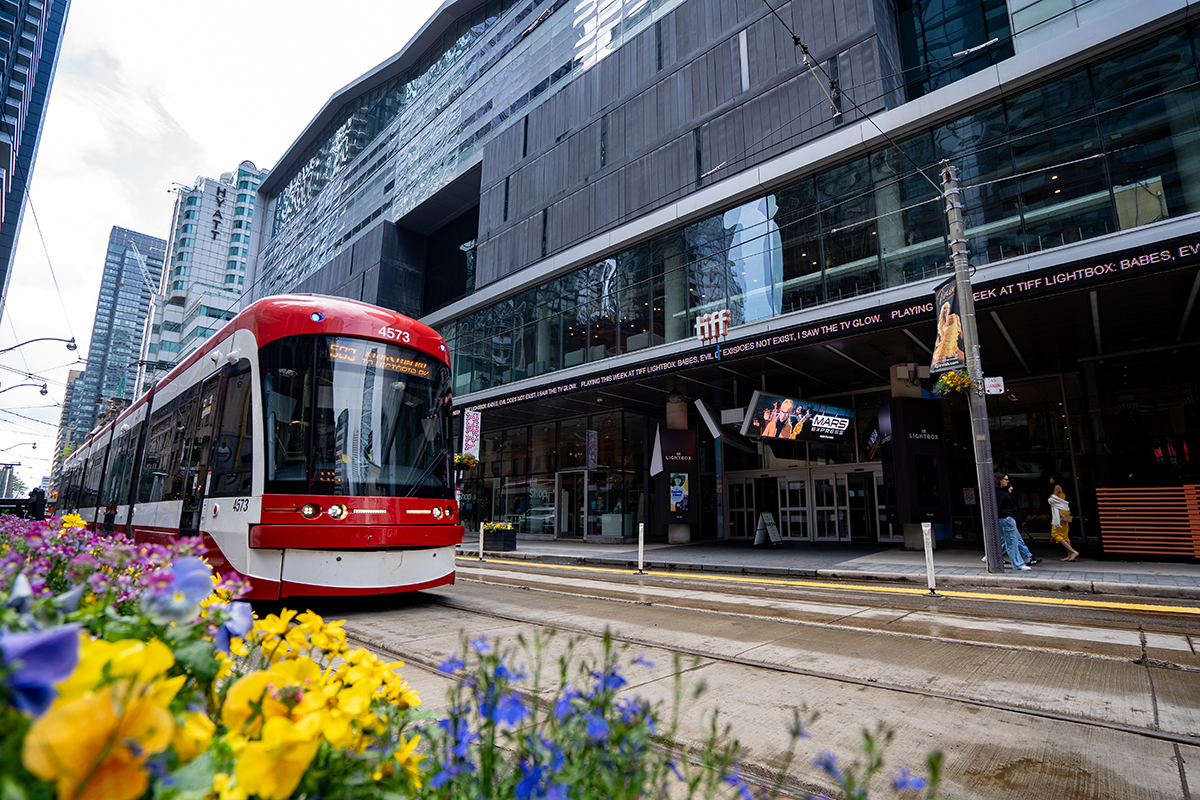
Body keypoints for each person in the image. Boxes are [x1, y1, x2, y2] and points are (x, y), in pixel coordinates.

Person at [994, 472, 1030, 570]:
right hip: (1006, 519)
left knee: (1009, 541)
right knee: (1012, 542)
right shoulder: (1000, 493)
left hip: (1006, 519)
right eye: (1005, 479)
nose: (1007, 481)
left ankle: (1025, 558)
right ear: (1000, 480)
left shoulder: (1001, 492)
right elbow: (1009, 508)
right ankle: (1018, 564)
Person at [1048, 473, 1080, 562]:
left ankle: (1073, 551)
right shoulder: (1064, 487)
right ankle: (1070, 555)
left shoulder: (1057, 487)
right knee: (1064, 534)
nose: (1050, 480)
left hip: (1059, 512)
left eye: (1051, 478)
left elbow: (1052, 498)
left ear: (1055, 479)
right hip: (1065, 510)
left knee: (1055, 533)